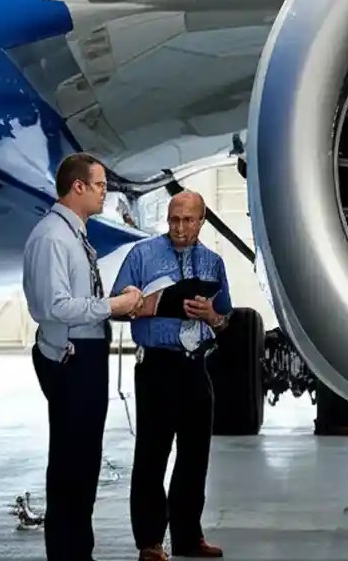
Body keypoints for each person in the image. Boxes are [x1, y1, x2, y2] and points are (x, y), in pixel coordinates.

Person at [23, 152, 144, 561]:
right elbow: (54, 307)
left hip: (87, 357)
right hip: (71, 360)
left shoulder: (74, 233)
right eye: (100, 187)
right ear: (78, 187)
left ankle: (78, 550)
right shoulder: (53, 237)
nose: (105, 195)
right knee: (71, 464)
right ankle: (66, 552)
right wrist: (113, 305)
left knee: (85, 461)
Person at [111, 190, 233, 561]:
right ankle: (149, 541)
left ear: (201, 221)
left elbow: (225, 318)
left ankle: (187, 537)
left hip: (196, 366)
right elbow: (114, 307)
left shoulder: (213, 263)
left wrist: (211, 317)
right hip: (157, 368)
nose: (180, 228)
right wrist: (150, 306)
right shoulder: (142, 255)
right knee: (151, 455)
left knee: (195, 457)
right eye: (174, 220)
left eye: (188, 220)